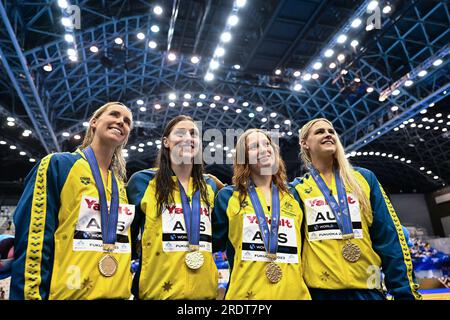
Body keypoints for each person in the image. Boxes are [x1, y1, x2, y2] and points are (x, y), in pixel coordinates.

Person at [10, 102, 135, 300]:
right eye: (114, 114)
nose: (121, 122)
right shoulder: (58, 165)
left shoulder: (120, 185)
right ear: (94, 122)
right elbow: (34, 239)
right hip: (68, 293)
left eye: (127, 121)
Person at [289, 118, 422, 300]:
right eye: (320, 132)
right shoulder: (297, 189)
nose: (328, 134)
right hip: (319, 293)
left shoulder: (364, 179)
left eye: (331, 131)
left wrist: (405, 294)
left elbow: (390, 237)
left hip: (368, 291)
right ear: (304, 143)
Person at [127, 115, 221, 299]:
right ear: (166, 142)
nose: (188, 138)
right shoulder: (142, 182)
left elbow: (218, 238)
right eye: (180, 133)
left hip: (204, 294)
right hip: (155, 293)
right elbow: (126, 239)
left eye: (193, 134)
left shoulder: (210, 187)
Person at [213, 129, 311, 299]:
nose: (264, 149)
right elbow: (210, 244)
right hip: (245, 296)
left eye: (267, 144)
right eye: (254, 146)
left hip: (294, 295)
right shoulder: (227, 197)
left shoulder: (294, 195)